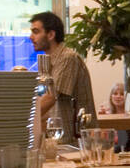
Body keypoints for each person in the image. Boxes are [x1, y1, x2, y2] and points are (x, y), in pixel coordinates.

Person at [30, 12, 95, 145]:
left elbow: (50, 97)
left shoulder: (67, 58)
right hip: (61, 141)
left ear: (51, 35)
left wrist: (23, 119)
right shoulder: (47, 62)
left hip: (77, 143)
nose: (31, 37)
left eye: (36, 32)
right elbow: (42, 97)